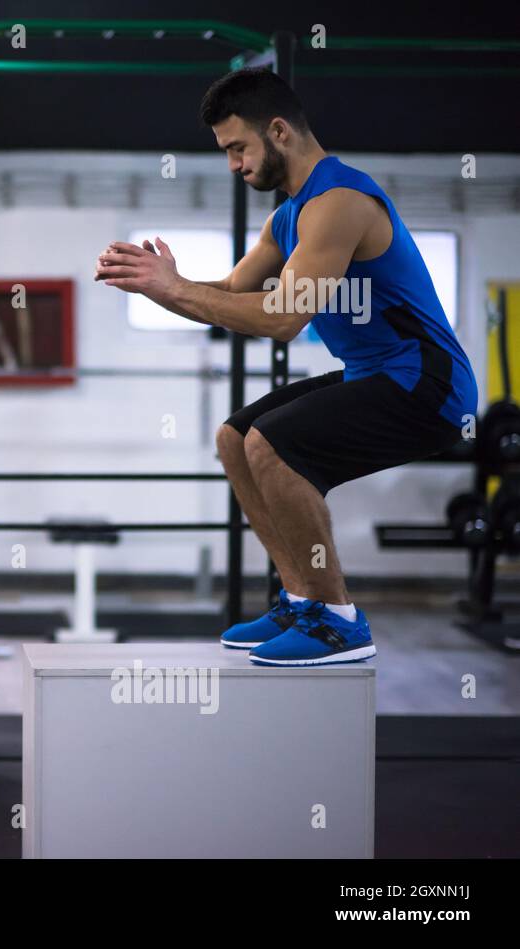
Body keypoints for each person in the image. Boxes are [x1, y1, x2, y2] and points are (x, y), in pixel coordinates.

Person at [94, 69, 477, 666]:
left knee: (274, 443)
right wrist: (159, 286)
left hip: (430, 383)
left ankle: (337, 620)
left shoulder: (341, 202)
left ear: (279, 131)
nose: (234, 165)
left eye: (237, 149)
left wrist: (173, 290)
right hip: (375, 374)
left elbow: (281, 318)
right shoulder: (287, 218)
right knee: (235, 437)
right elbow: (228, 290)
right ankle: (301, 596)